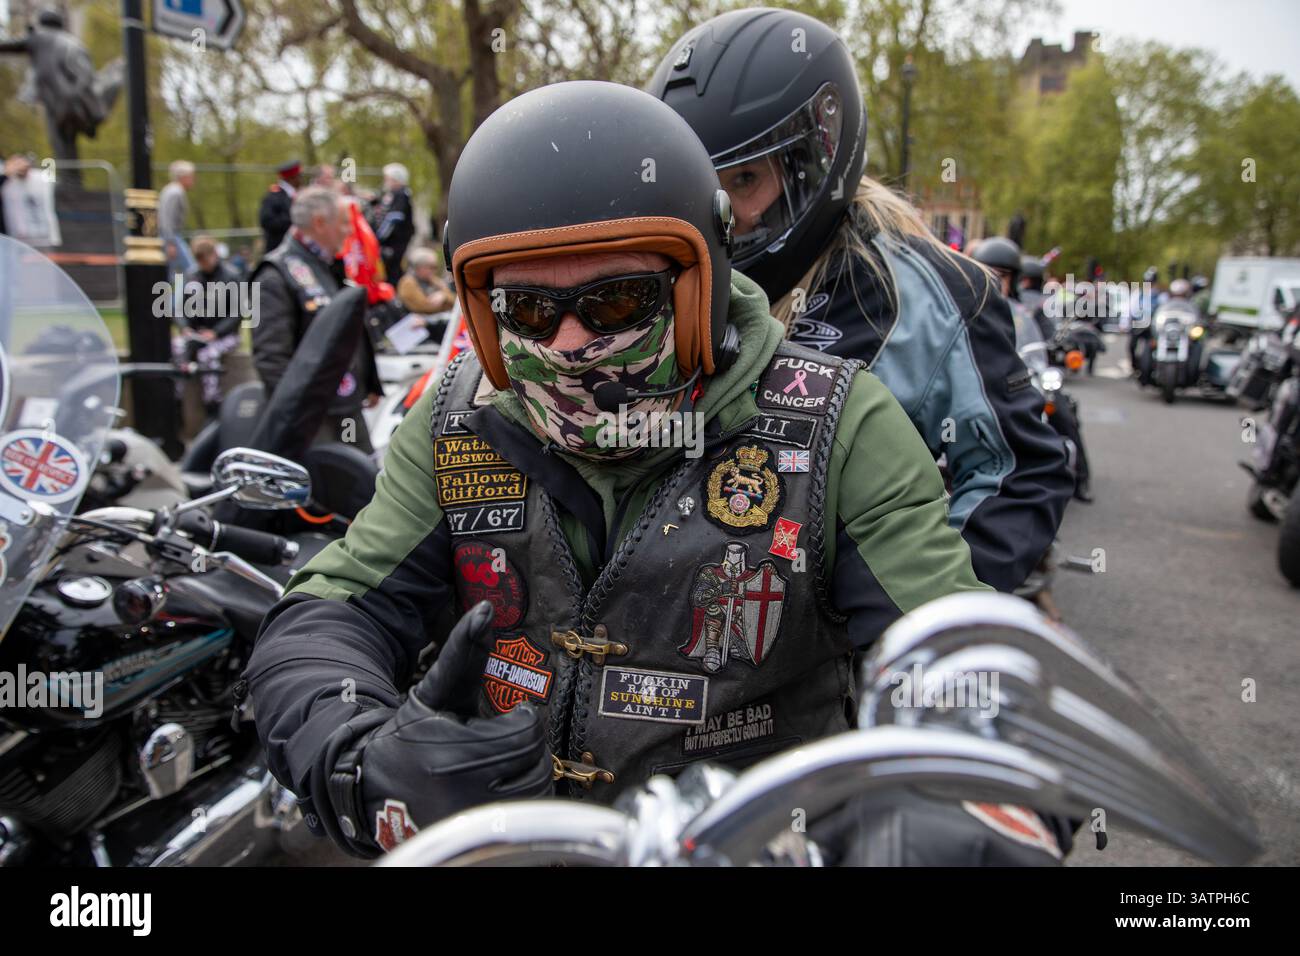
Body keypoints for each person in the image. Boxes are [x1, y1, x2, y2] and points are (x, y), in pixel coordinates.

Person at [244, 80, 1065, 866]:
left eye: (615, 301)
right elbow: (328, 613)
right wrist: (359, 759)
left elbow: (957, 662)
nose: (568, 344)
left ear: (700, 280)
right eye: (527, 310)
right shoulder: (460, 420)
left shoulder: (838, 427)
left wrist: (940, 818)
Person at [648, 8, 1072, 595]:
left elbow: (1018, 473)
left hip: (847, 647)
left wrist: (910, 614)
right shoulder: (663, 280)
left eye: (745, 180)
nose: (725, 211)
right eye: (706, 182)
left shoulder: (931, 293)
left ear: (810, 161)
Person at [250, 185, 381, 450]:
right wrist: (298, 420)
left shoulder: (328, 265)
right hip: (315, 424)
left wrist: (369, 382)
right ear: (320, 223)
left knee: (363, 482)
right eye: (344, 223)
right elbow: (270, 358)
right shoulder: (274, 275)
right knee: (334, 484)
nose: (348, 230)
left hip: (346, 408)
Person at [174, 235, 242, 417]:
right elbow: (179, 309)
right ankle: (176, 400)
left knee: (208, 355)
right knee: (177, 348)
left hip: (223, 335)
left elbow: (237, 313)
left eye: (205, 259)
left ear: (214, 255)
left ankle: (212, 404)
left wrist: (215, 332)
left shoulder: (231, 277)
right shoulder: (192, 276)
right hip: (196, 333)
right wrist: (185, 327)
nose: (203, 264)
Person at [0, 152, 61, 248]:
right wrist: (6, 174)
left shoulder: (41, 179)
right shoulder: (7, 182)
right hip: (17, 236)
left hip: (42, 235)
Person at [368, 162, 415, 283]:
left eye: (388, 179)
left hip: (394, 243)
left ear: (396, 179)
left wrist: (377, 237)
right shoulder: (392, 194)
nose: (386, 182)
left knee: (392, 272)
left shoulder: (401, 194)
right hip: (390, 242)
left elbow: (393, 219)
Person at [158, 159, 195, 277]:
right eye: (191, 176)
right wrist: (170, 242)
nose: (193, 179)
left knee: (173, 273)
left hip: (170, 236)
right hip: (172, 236)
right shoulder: (176, 192)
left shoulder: (170, 190)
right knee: (191, 269)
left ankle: (175, 295)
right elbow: (167, 218)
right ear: (183, 177)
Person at [259, 159, 303, 254]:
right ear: (292, 178)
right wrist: (294, 219)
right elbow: (266, 221)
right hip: (279, 249)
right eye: (299, 176)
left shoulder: (295, 195)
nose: (301, 179)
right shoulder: (274, 196)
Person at [396, 247, 454, 316]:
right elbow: (423, 307)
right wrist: (446, 302)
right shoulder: (407, 283)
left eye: (435, 267)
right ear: (419, 267)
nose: (434, 271)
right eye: (431, 267)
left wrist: (444, 296)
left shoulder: (433, 280)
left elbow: (454, 300)